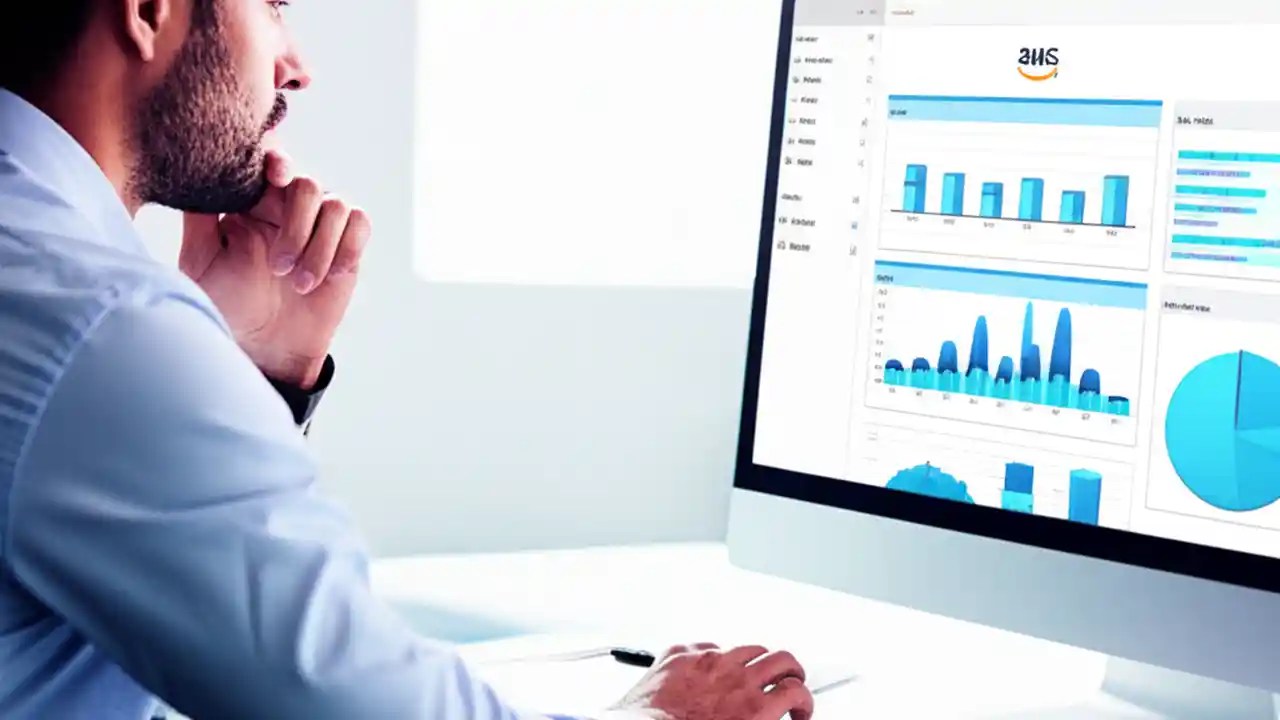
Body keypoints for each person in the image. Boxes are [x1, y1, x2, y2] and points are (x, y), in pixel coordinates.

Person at [0, 1, 817, 719]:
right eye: (273, 5)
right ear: (146, 10)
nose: (298, 67)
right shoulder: (101, 323)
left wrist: (244, 369)